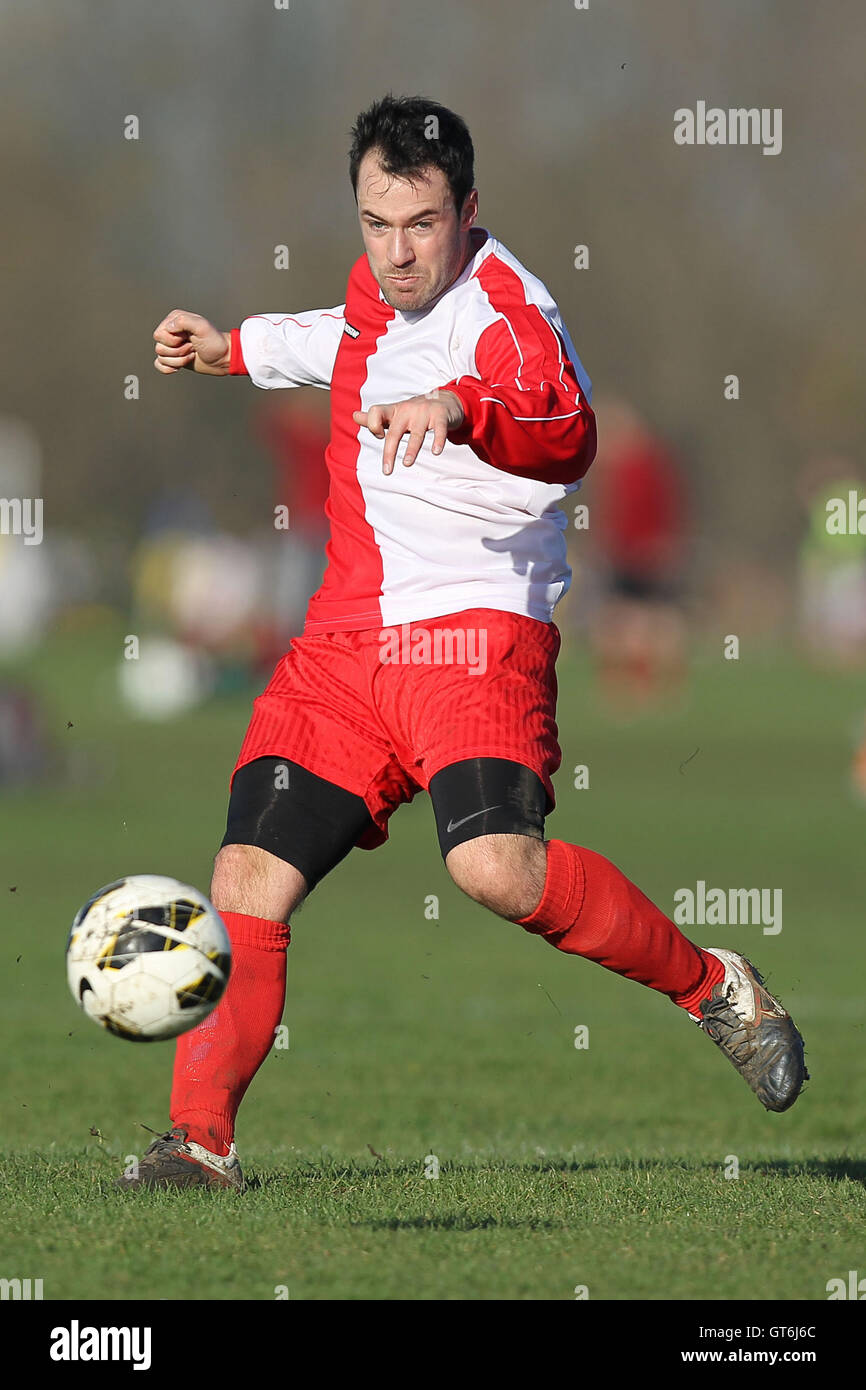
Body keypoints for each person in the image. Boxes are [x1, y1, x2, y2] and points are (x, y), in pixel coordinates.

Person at [122, 95, 807, 1190]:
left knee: (493, 868)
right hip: (345, 642)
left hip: (477, 631)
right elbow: (334, 334)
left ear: (467, 210)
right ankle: (200, 1145)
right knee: (246, 873)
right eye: (375, 223)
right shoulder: (371, 285)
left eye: (421, 225)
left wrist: (459, 408)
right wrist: (226, 347)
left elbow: (566, 426)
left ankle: (713, 987)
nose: (395, 252)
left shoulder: (508, 312)